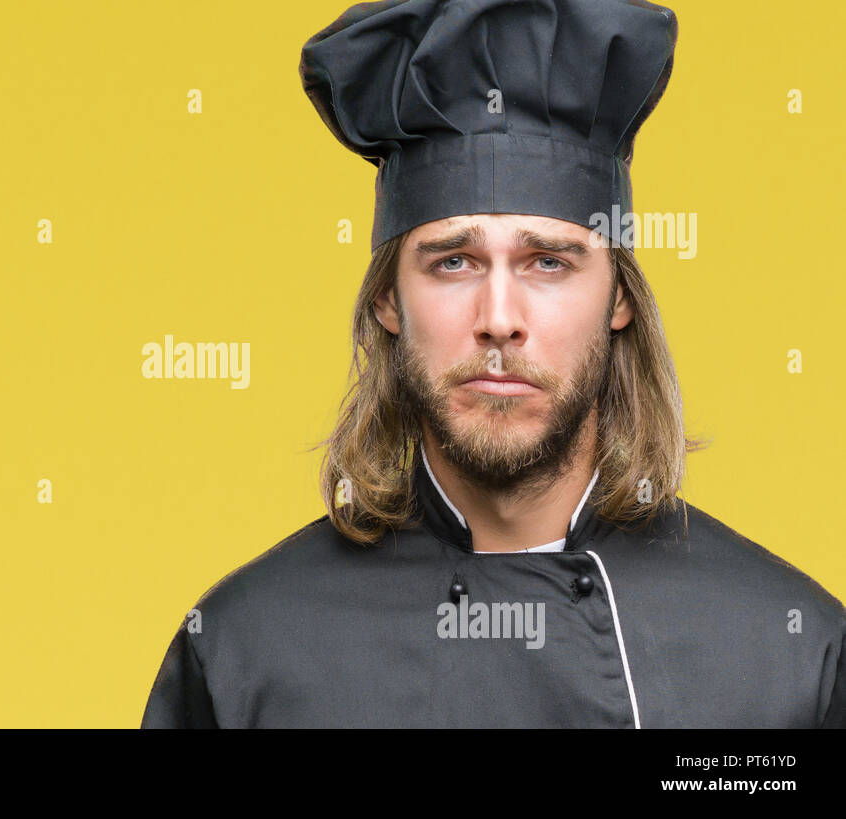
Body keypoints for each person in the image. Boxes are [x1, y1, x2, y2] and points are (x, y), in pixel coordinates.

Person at [140, 0, 846, 728]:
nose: (499, 317)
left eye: (548, 261)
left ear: (618, 299)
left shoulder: (787, 655)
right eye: (453, 261)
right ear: (388, 298)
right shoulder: (245, 653)